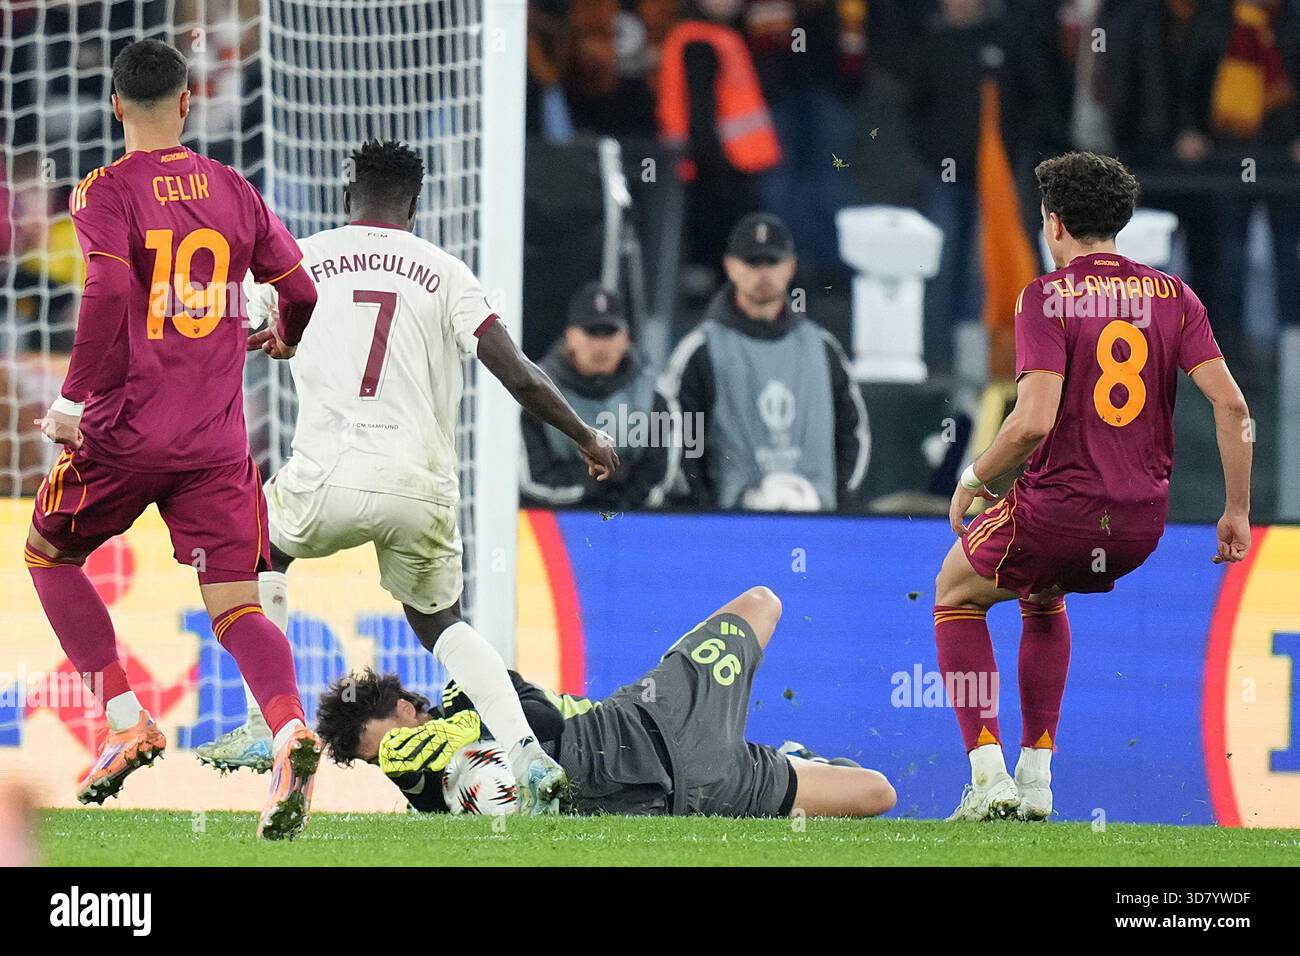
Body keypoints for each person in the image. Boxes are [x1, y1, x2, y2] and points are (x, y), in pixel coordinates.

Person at [201, 140, 620, 814]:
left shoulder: (297, 259)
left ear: (348, 196)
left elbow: (224, 333)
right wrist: (586, 436)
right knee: (442, 624)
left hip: (325, 476)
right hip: (419, 484)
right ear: (415, 206)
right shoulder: (448, 273)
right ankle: (527, 755)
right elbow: (519, 374)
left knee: (256, 551)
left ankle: (266, 727)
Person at [24, 39, 321, 839]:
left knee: (47, 554)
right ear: (187, 102)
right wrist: (284, 335)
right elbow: (300, 289)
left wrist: (72, 399)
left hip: (124, 433)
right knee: (236, 607)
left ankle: (126, 721)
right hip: (217, 447)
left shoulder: (103, 191)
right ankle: (290, 730)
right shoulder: (234, 189)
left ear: (116, 105)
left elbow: (111, 284)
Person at [934, 151, 1252, 822]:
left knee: (955, 593)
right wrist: (1236, 511)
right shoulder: (1175, 296)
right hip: (1139, 526)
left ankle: (988, 774)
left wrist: (973, 477)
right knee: (1042, 591)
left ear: (1053, 224)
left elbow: (1031, 423)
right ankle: (1039, 778)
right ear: (1121, 222)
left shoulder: (1046, 297)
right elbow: (1234, 410)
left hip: (1060, 509)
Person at [315, 586, 897, 819]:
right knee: (876, 793)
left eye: (386, 739)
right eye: (376, 759)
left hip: (655, 720)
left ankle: (760, 735)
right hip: (700, 790)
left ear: (406, 708)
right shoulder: (438, 793)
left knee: (763, 603)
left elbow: (539, 721)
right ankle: (785, 761)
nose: (390, 757)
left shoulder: (468, 688)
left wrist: (465, 733)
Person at [664, 213, 869, 512]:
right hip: (732, 529)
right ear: (730, 266)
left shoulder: (822, 348)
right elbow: (678, 437)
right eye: (751, 262)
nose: (762, 273)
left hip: (817, 523)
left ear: (790, 267)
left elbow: (853, 432)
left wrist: (837, 503)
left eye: (771, 262)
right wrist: (705, 513)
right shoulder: (701, 349)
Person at [521, 282, 676, 510]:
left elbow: (658, 476)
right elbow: (533, 479)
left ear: (625, 338)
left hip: (635, 521)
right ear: (571, 337)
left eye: (610, 332)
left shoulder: (654, 394)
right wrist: (601, 480)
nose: (601, 346)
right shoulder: (535, 392)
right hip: (555, 527)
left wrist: (618, 503)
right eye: (591, 333)